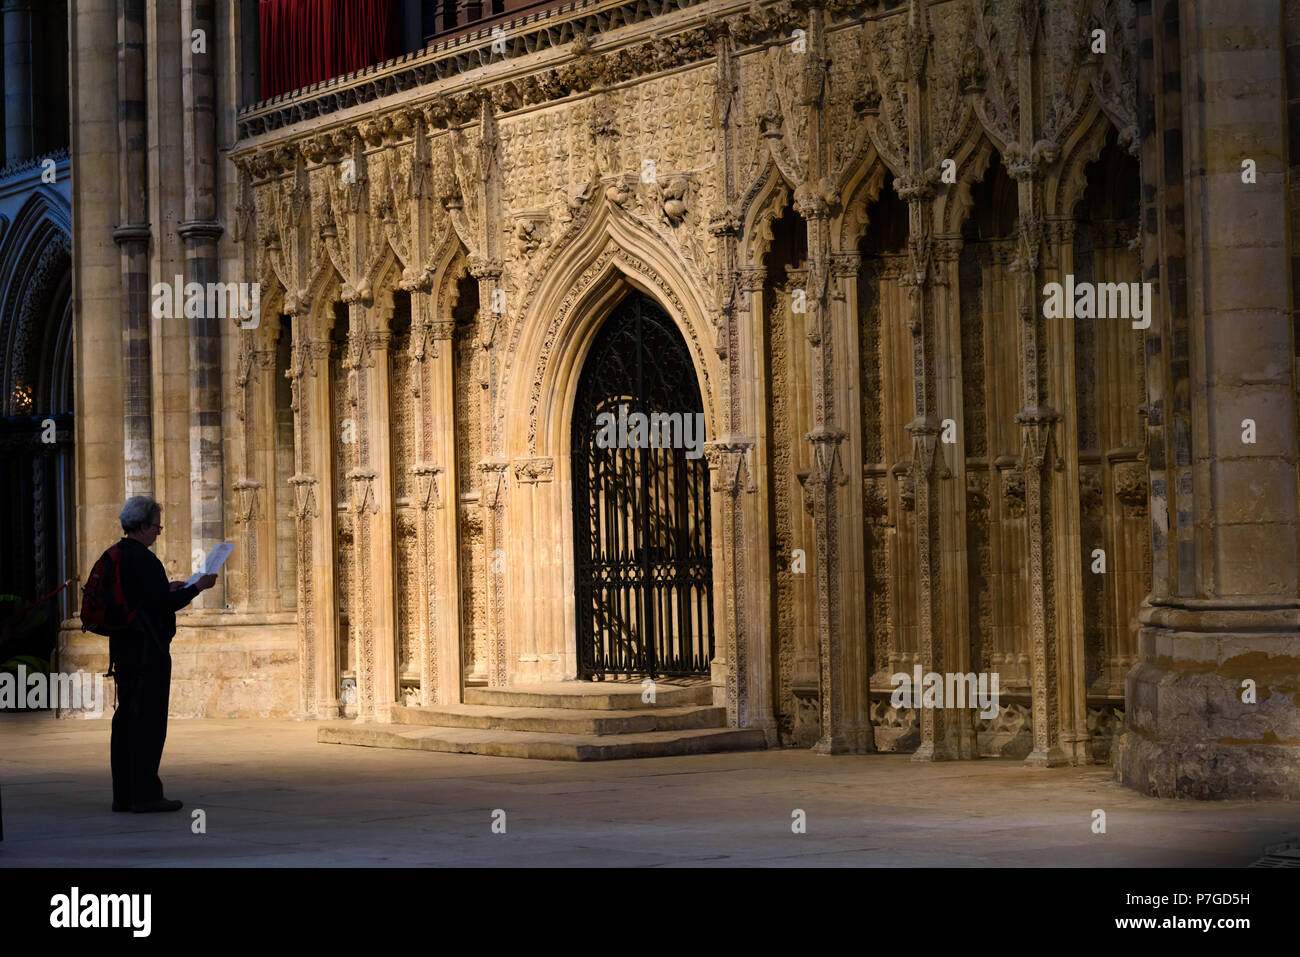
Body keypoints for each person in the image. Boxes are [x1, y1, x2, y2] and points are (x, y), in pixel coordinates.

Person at [107, 496, 216, 813]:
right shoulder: (144, 559)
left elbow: (144, 598)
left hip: (124, 650)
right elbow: (161, 606)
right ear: (141, 526)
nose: (158, 532)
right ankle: (145, 795)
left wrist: (167, 589)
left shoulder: (117, 555)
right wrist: (199, 587)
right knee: (148, 723)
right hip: (147, 652)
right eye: (156, 526)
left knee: (126, 720)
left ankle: (124, 795)